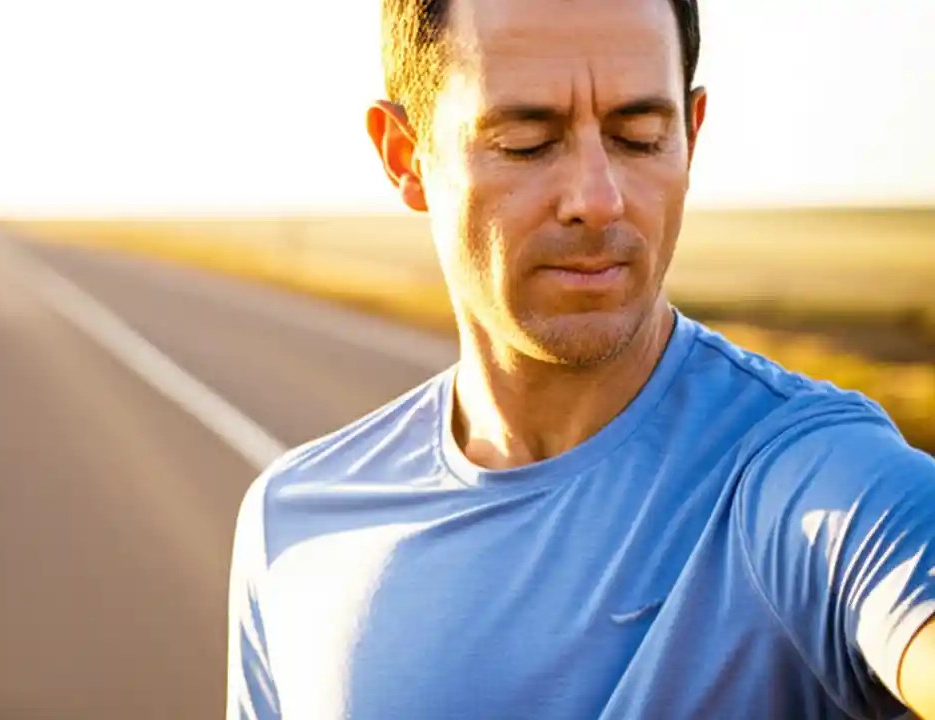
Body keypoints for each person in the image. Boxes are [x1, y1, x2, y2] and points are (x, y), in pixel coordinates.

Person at [225, 0, 935, 717]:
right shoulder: (292, 524)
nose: (598, 199)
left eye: (640, 136)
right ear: (405, 155)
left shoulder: (815, 480)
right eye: (528, 141)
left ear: (691, 136)